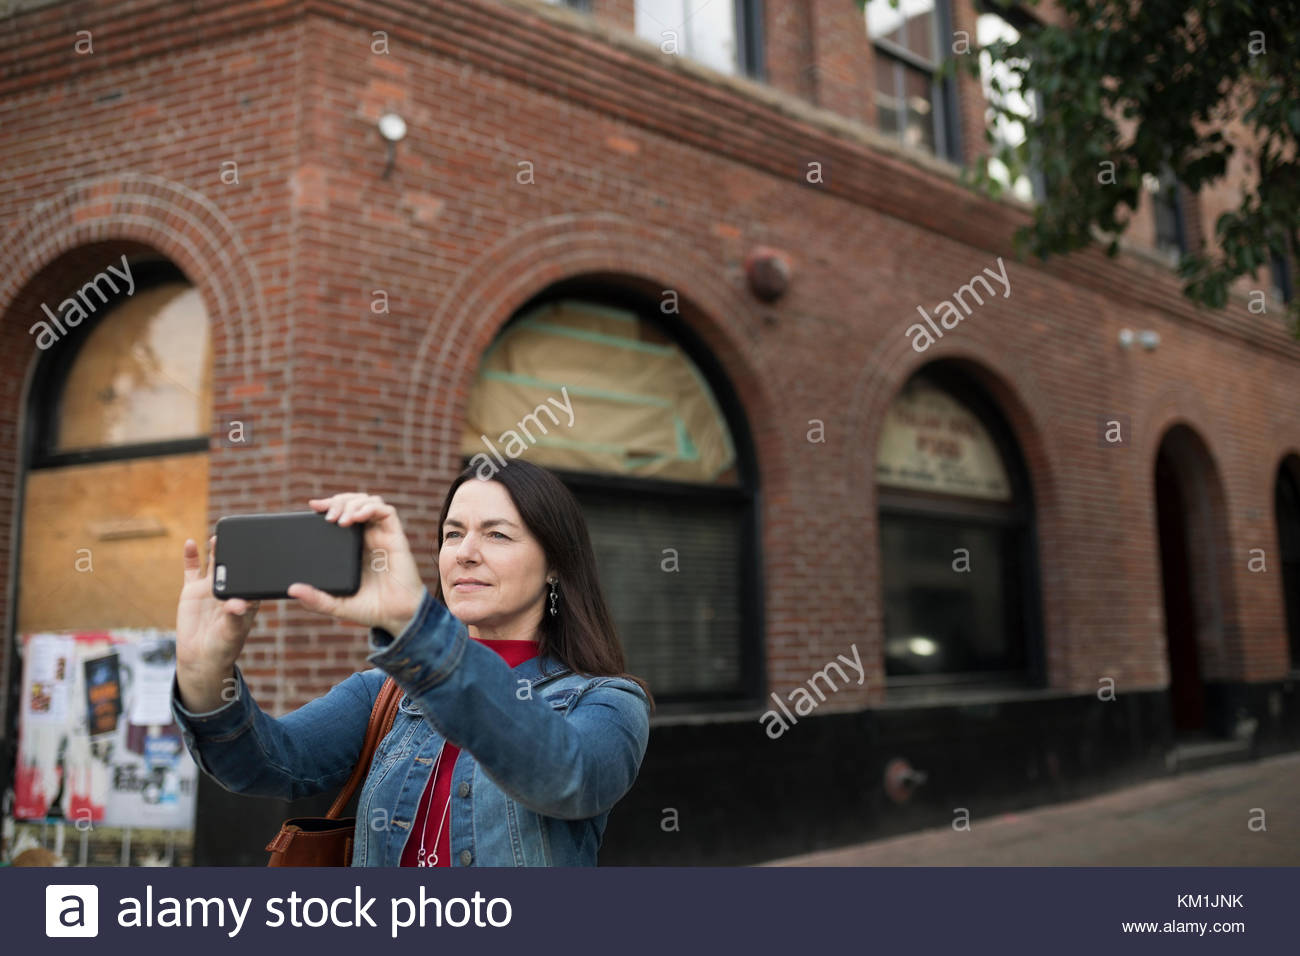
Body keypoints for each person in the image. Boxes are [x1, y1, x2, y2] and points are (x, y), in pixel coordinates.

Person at [171, 458, 654, 866]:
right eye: (453, 533)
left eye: (497, 535)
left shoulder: (607, 701)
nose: (465, 554)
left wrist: (414, 626)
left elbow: (564, 778)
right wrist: (204, 673)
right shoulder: (384, 692)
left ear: (555, 565)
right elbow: (268, 765)